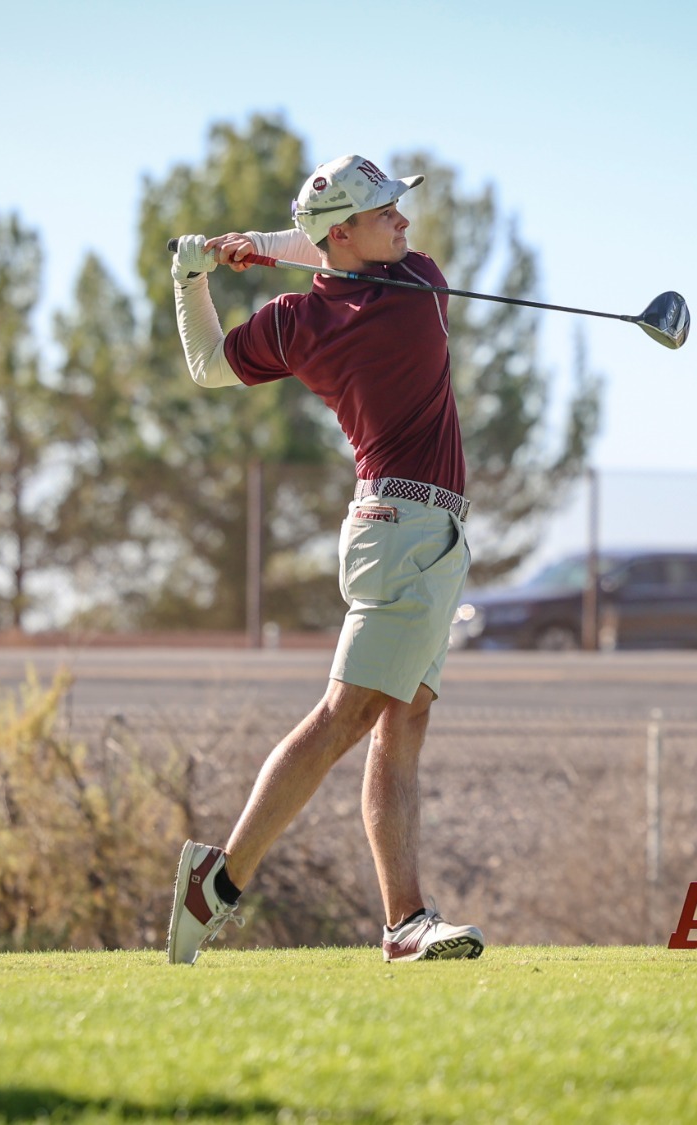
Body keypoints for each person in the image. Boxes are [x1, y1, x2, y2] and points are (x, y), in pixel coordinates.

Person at [164, 155, 483, 965]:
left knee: (400, 722)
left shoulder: (294, 321)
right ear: (344, 231)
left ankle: (405, 923)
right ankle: (220, 882)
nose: (405, 224)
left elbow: (206, 362)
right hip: (402, 527)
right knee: (346, 716)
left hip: (423, 531)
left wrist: (196, 274)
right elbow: (317, 259)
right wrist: (258, 247)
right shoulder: (417, 284)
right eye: (386, 213)